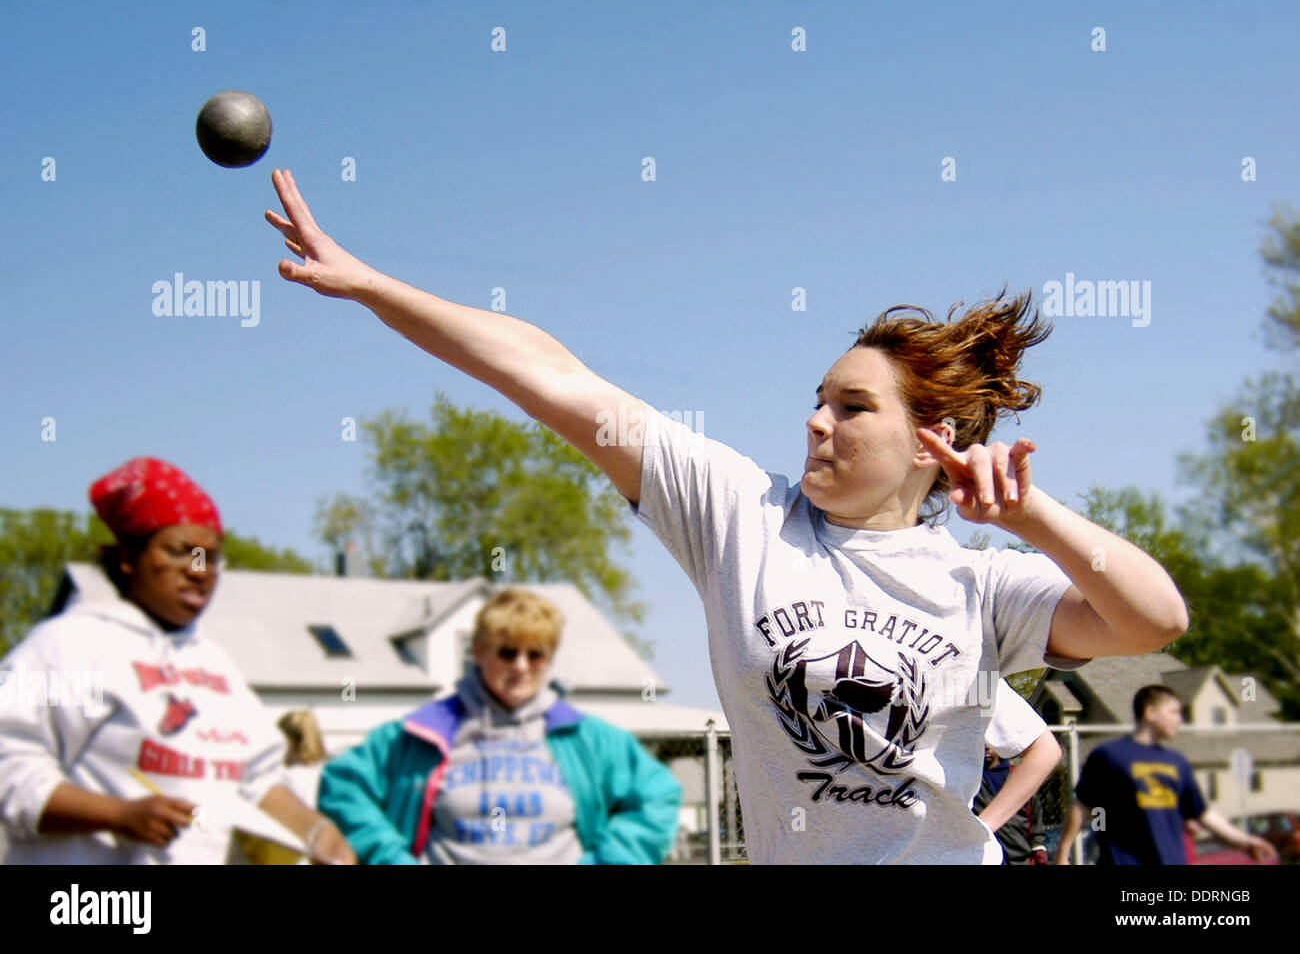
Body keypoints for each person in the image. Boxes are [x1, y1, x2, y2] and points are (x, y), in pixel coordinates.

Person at [265, 167, 1190, 863]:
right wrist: (375, 286)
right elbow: (553, 376)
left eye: (852, 407)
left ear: (928, 442)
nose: (815, 419)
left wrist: (1032, 517)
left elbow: (1154, 617)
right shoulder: (740, 516)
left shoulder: (983, 584)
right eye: (818, 396)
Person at [0, 456, 356, 865]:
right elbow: (10, 766)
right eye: (181, 551)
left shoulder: (215, 665)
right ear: (128, 557)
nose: (200, 571)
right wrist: (119, 815)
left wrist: (317, 833)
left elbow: (257, 782)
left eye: (211, 557)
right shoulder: (68, 646)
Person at [316, 586, 682, 864]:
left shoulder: (586, 738)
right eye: (508, 652)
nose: (521, 666)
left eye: (536, 653)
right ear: (478, 651)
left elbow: (659, 795)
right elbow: (342, 785)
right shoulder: (422, 733)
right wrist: (391, 858)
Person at [1055, 685, 1277, 865]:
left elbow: (1203, 813)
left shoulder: (1177, 762)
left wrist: (1244, 840)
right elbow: (1083, 806)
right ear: (1150, 713)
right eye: (1173, 712)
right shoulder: (1109, 755)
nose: (1179, 719)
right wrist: (1063, 853)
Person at [973, 679, 1060, 864]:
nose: (988, 749)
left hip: (1019, 856)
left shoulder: (1017, 774)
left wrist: (1038, 846)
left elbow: (1034, 814)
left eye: (991, 744)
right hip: (980, 855)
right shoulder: (971, 777)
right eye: (985, 744)